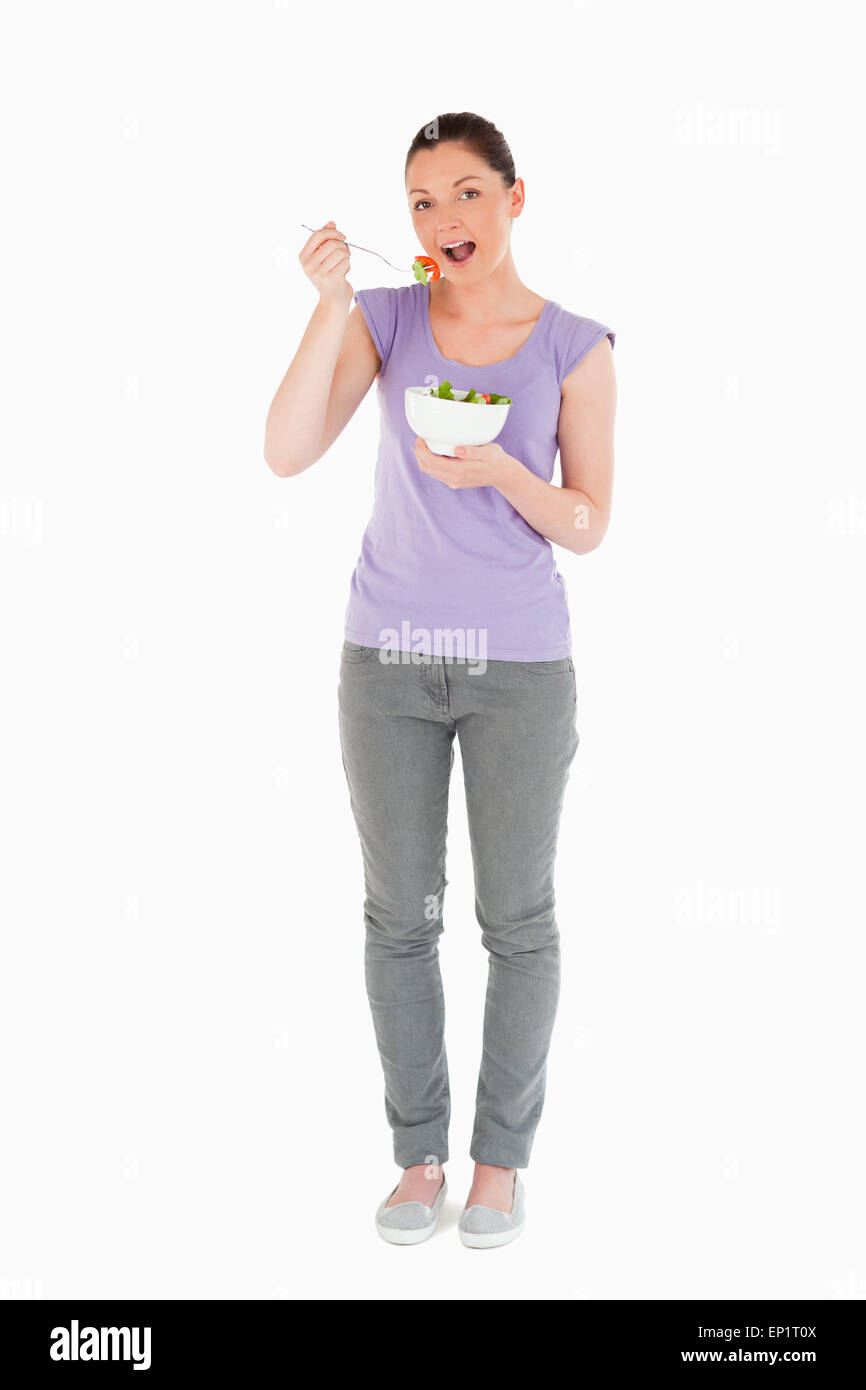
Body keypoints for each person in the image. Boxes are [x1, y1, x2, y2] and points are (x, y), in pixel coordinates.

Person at [264, 111, 617, 1247]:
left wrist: (504, 470)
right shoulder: (386, 316)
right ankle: (417, 1158)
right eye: (420, 202)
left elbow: (587, 523)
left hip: (517, 673)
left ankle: (497, 1164)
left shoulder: (574, 346)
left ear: (515, 199)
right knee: (399, 920)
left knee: (516, 923)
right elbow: (284, 449)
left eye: (466, 193)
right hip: (386, 667)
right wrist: (328, 308)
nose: (443, 219)